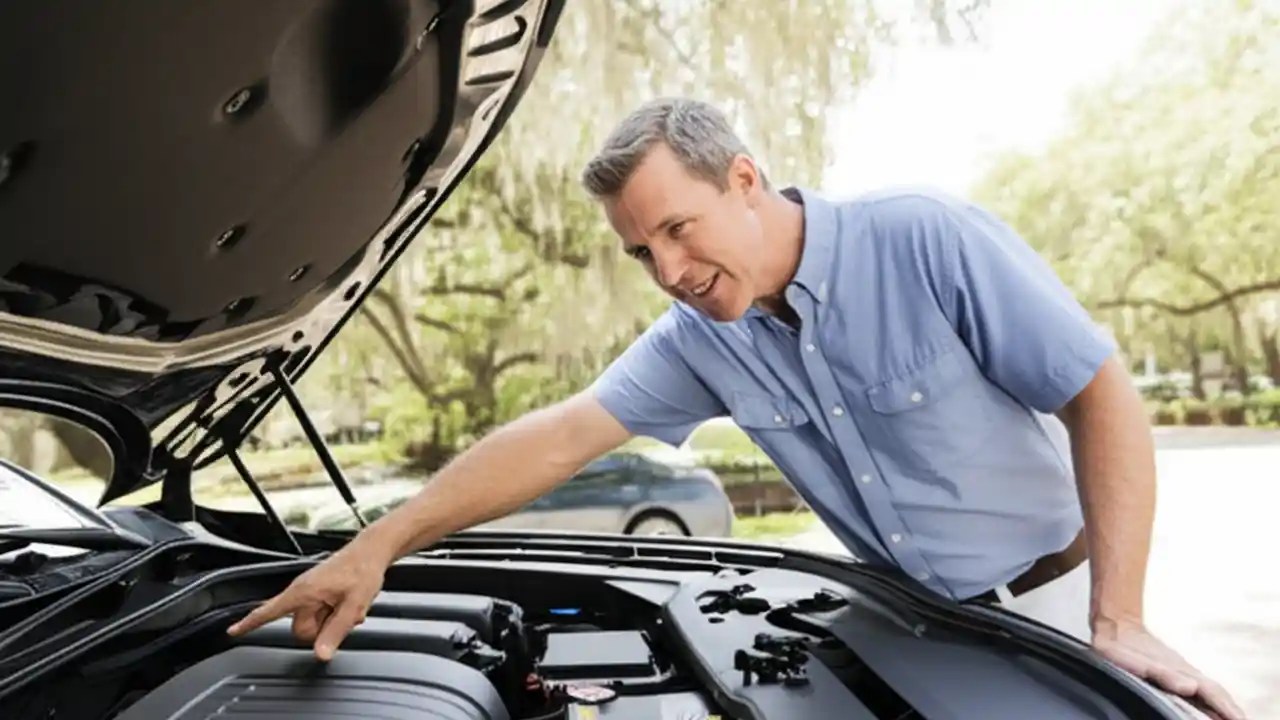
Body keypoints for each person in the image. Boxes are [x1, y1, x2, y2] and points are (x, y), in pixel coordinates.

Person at [227, 98, 1244, 719]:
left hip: (1056, 608)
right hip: (912, 621)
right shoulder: (701, 337)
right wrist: (380, 544)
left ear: (745, 180)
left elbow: (1096, 392)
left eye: (677, 227)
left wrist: (1120, 616)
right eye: (639, 252)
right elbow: (559, 437)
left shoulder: (925, 241)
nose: (665, 270)